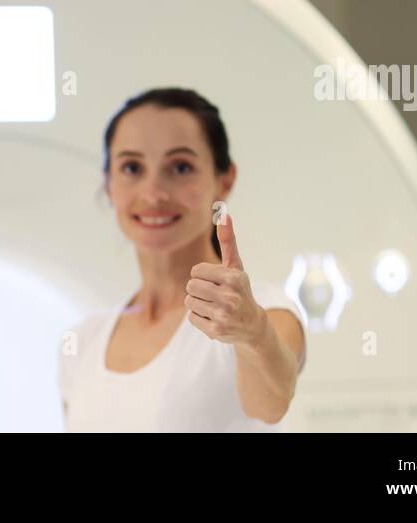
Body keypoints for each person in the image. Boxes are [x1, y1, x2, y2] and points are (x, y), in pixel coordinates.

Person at [60, 88, 307, 432]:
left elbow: (269, 404)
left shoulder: (261, 312)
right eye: (132, 167)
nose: (154, 193)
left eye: (180, 167)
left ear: (225, 180)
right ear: (109, 184)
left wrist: (253, 332)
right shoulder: (83, 340)